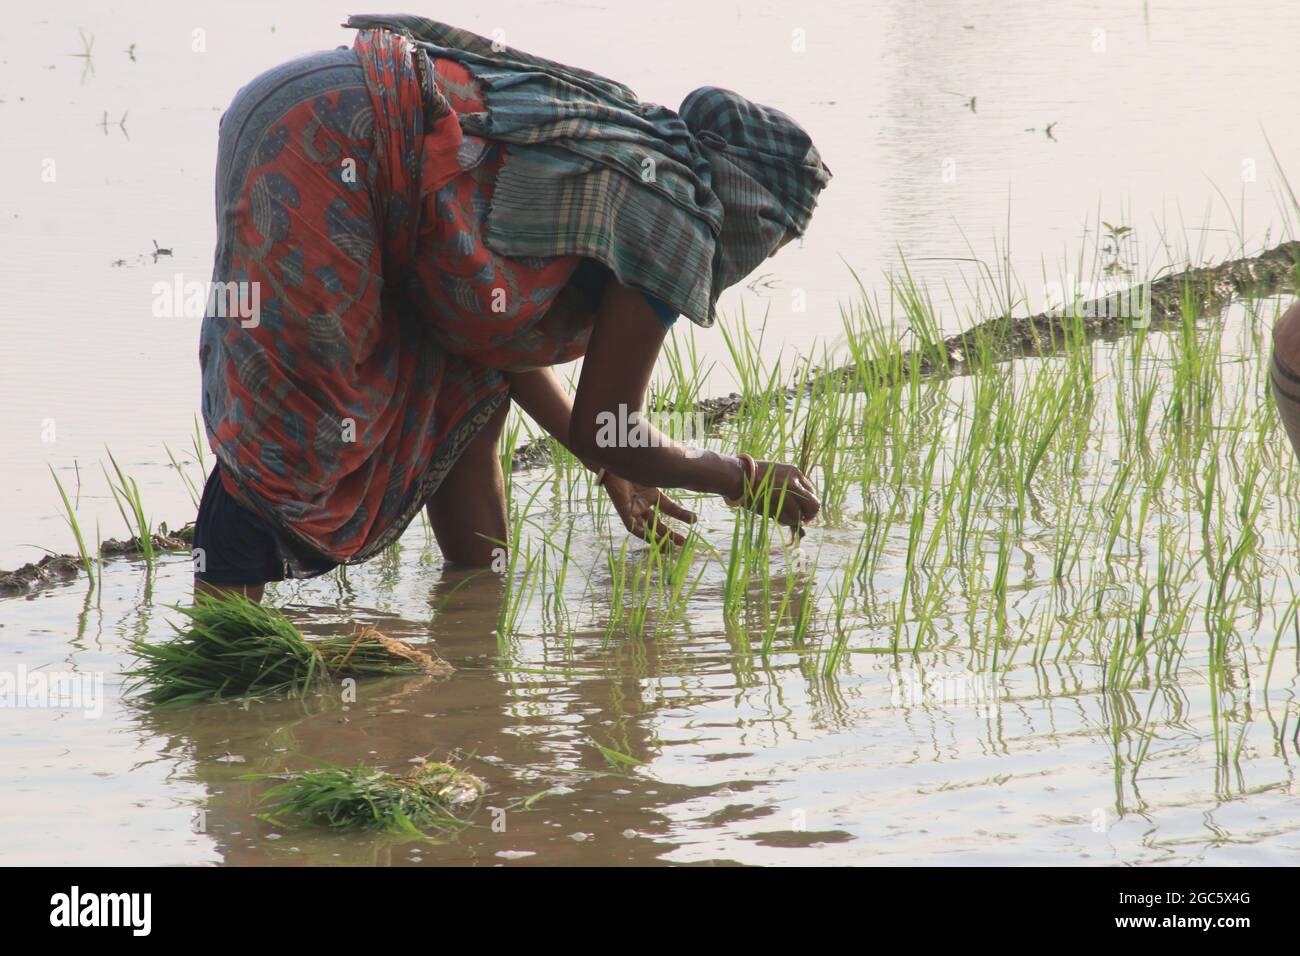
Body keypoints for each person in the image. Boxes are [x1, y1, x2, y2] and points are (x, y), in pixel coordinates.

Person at [194, 15, 832, 601]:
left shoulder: (640, 158)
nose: (765, 255)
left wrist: (611, 459)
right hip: (333, 142)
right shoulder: (680, 219)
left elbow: (500, 341)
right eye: (778, 237)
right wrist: (741, 477)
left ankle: (474, 619)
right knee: (298, 417)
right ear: (752, 204)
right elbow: (608, 423)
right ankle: (221, 668)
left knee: (466, 389)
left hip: (307, 106)